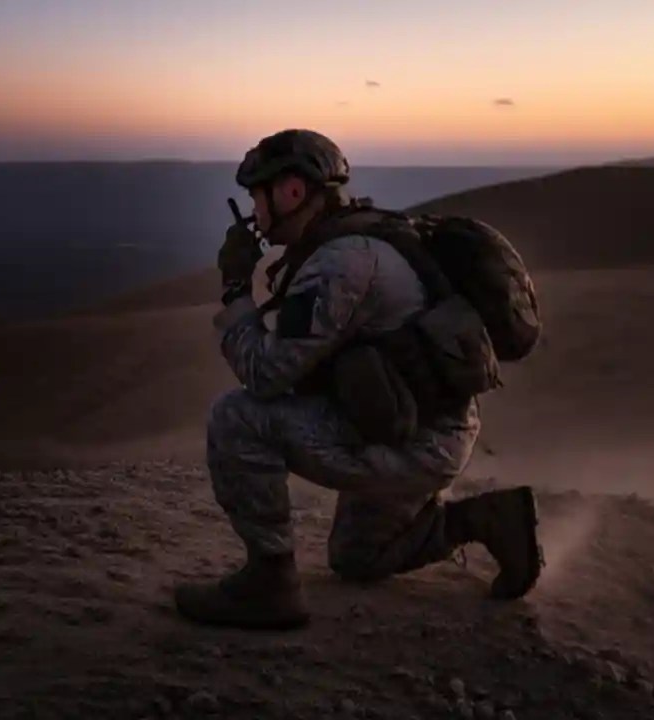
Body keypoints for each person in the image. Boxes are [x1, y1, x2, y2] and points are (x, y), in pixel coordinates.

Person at [173, 129, 543, 630]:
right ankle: (486, 520)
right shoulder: (359, 237)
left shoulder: (340, 263)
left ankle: (269, 586)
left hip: (413, 442)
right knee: (357, 557)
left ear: (292, 192)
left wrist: (236, 287)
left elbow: (264, 374)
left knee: (237, 417)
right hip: (427, 433)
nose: (253, 209)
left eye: (257, 194)